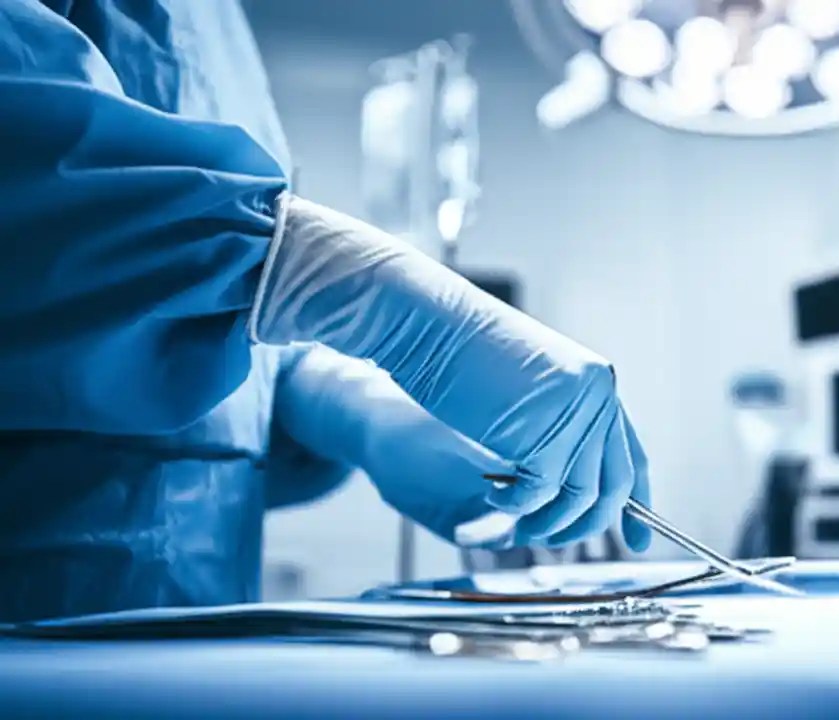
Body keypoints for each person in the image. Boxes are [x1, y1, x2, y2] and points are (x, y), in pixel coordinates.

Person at [0, 1, 650, 622]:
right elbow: (32, 191)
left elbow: (171, 343)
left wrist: (337, 403)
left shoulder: (216, 21)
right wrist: (385, 308)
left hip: (191, 623)